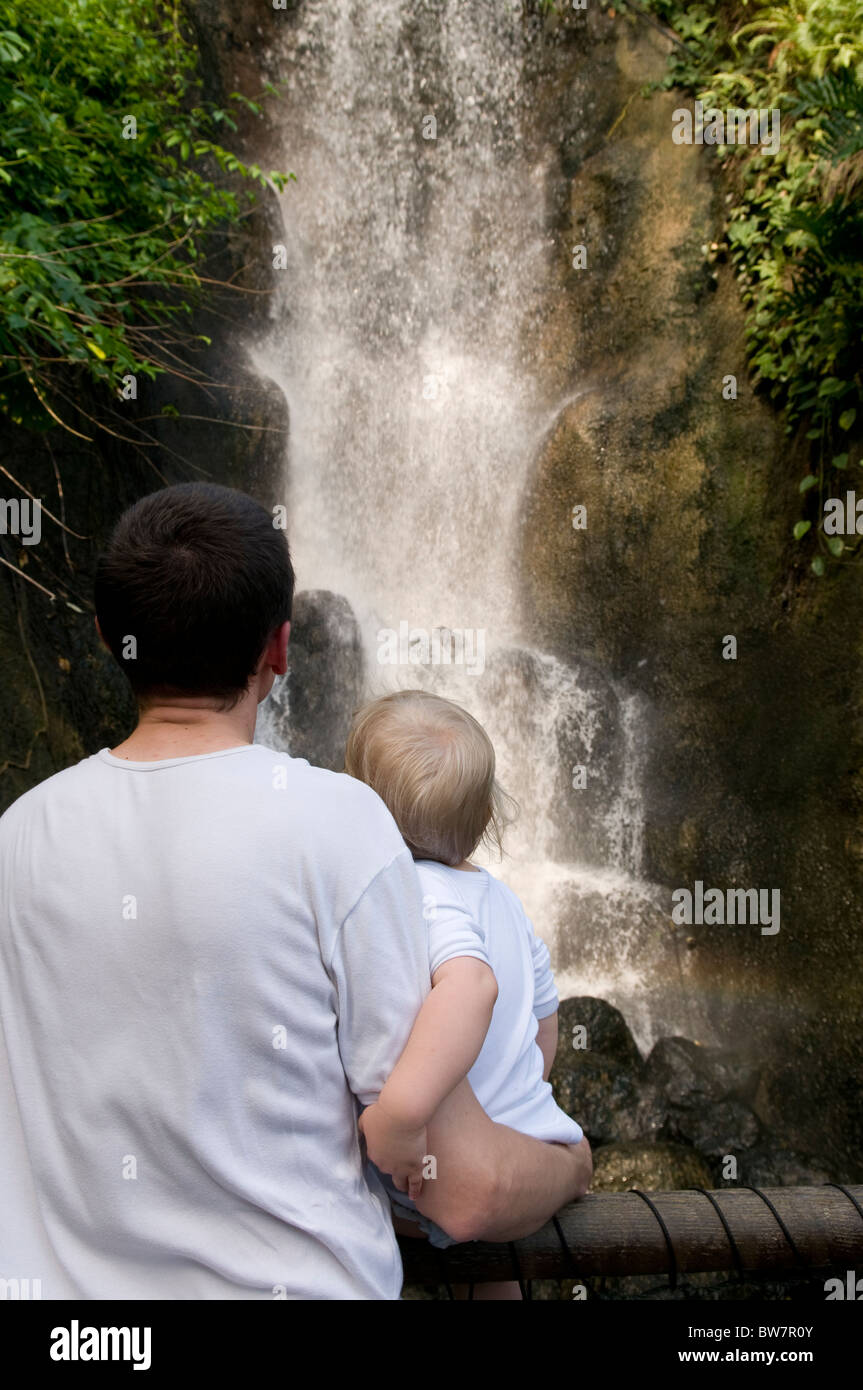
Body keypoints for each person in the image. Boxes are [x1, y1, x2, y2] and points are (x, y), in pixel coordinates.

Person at [0, 482, 591, 1300]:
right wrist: (569, 1165)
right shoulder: (338, 826)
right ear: (280, 649)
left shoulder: (20, 834)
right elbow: (462, 1187)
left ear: (107, 638)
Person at [345, 690, 584, 1298]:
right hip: (526, 1142)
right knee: (496, 1278)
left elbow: (472, 986)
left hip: (428, 1170)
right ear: (484, 822)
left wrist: (401, 1115)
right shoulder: (503, 900)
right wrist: (516, 1094)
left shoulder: (415, 893)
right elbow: (543, 1022)